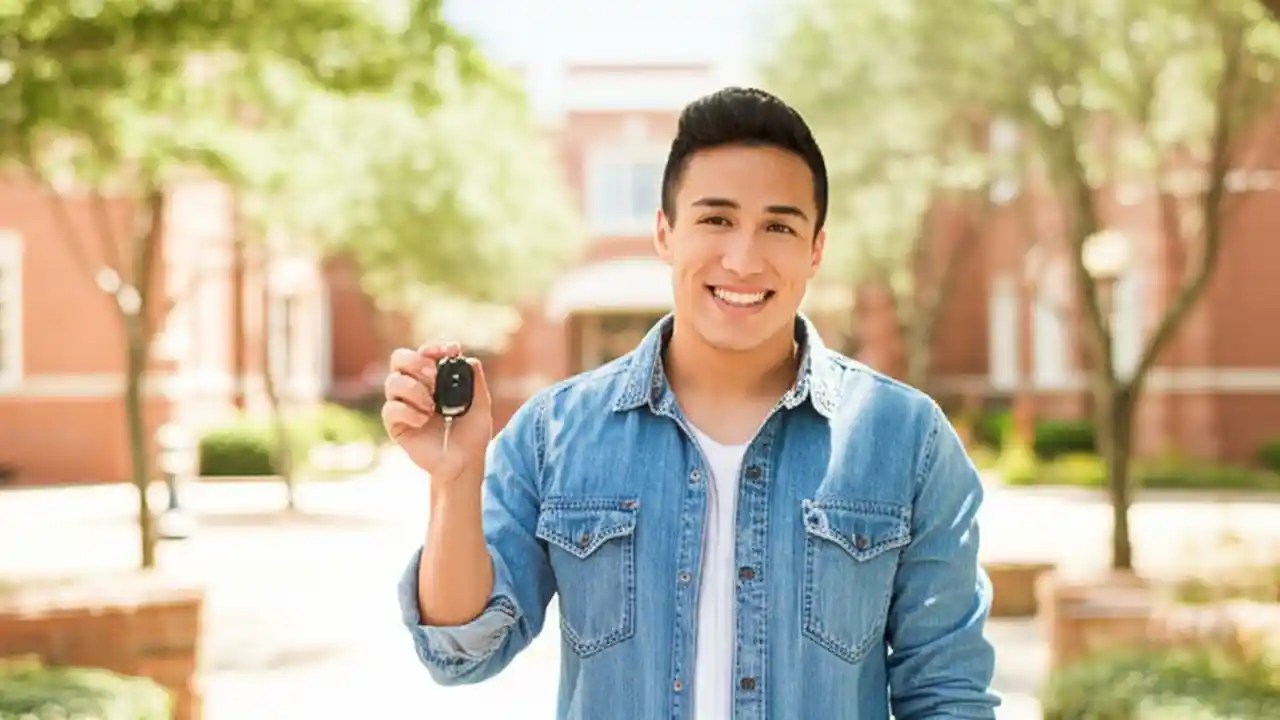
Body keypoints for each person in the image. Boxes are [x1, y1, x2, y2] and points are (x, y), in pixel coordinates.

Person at [384, 86, 999, 719]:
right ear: (664, 233)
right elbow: (461, 651)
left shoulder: (906, 439)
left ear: (815, 249)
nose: (742, 258)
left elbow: (948, 695)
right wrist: (454, 482)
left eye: (779, 227)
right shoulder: (554, 433)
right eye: (716, 219)